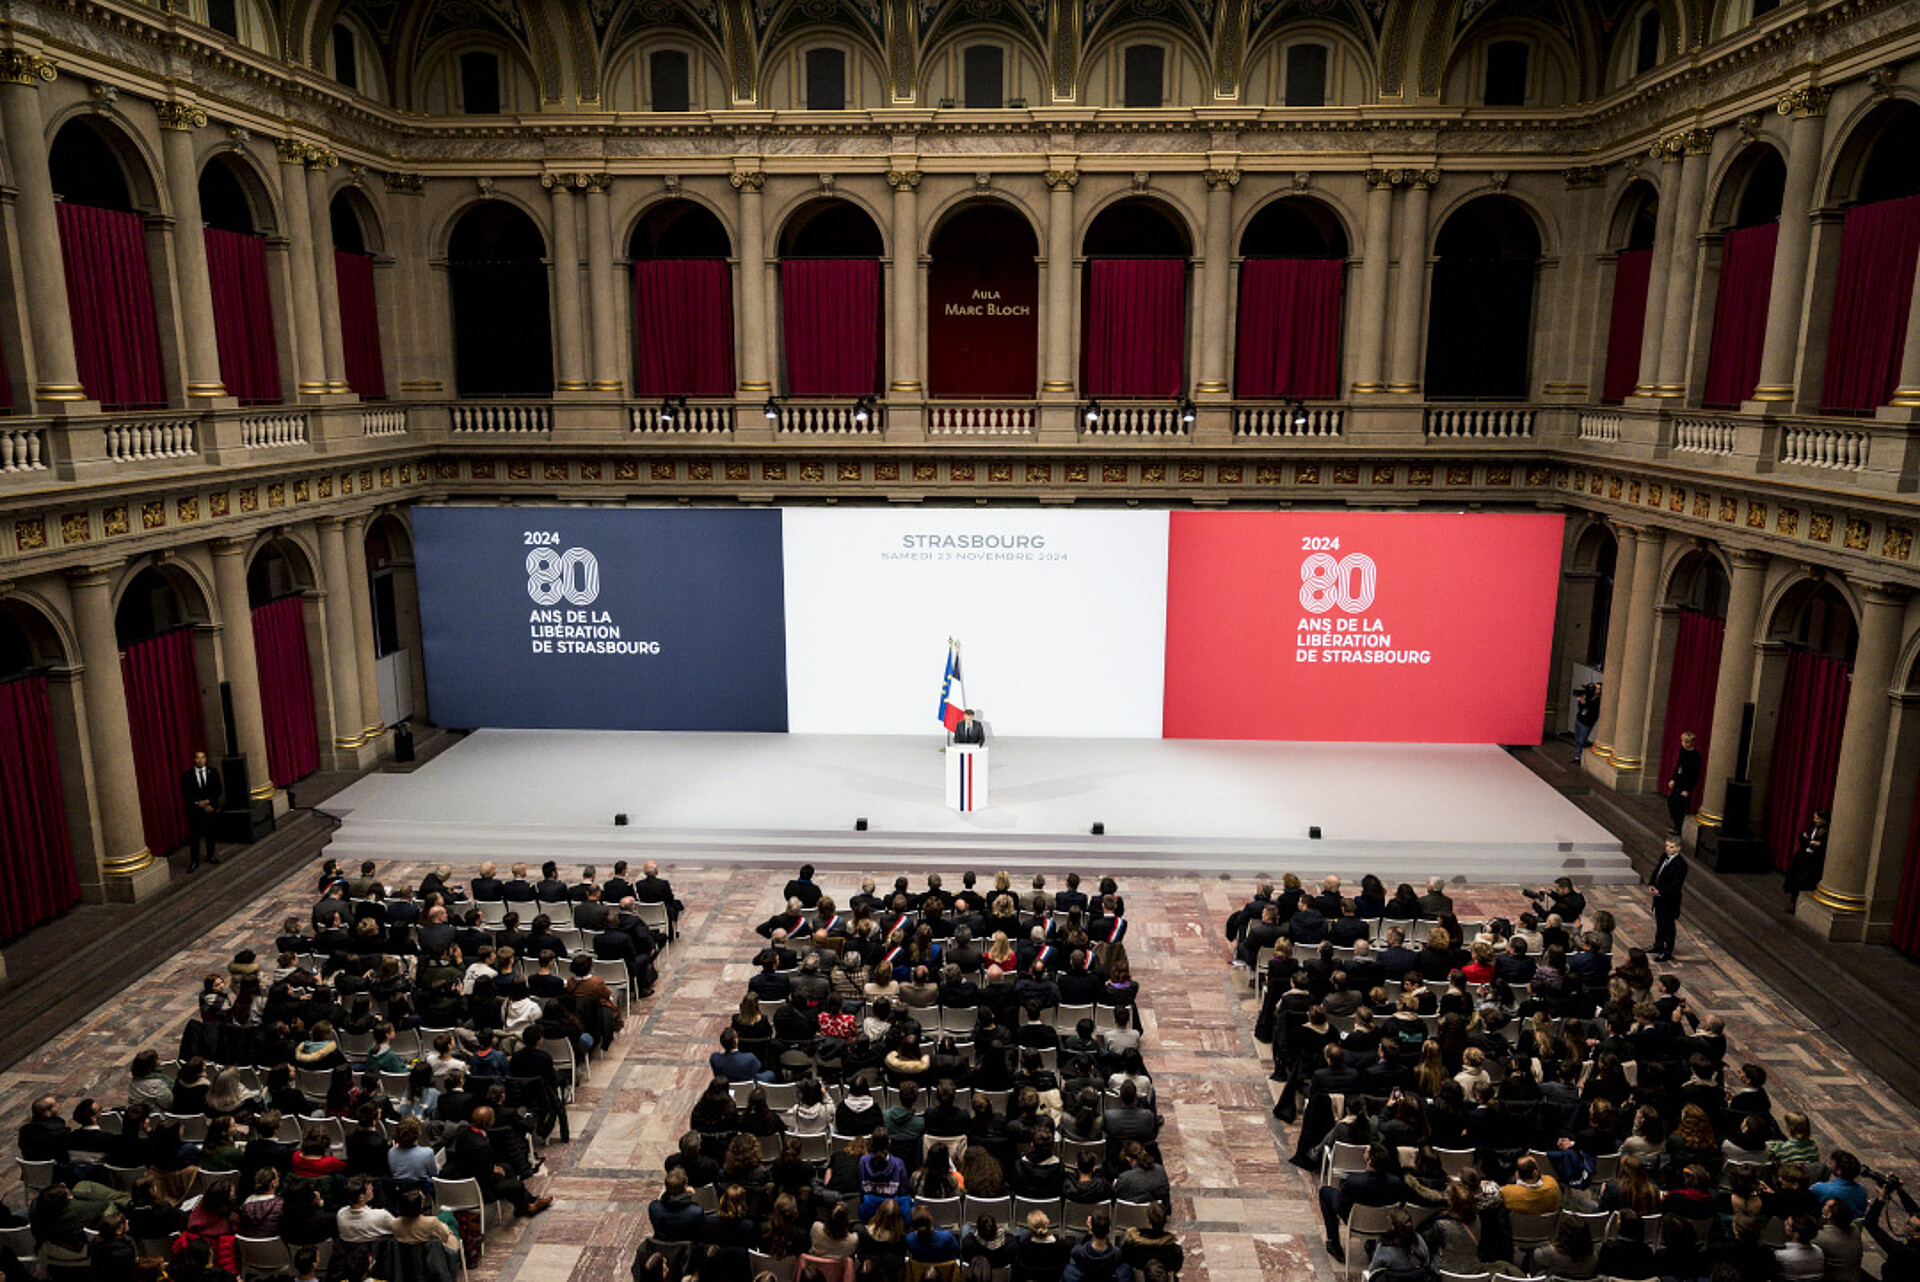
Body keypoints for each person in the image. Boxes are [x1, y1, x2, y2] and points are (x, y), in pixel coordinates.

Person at [180, 749, 222, 870]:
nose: (200, 760)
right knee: (195, 836)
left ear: (205, 759)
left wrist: (209, 802)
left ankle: (210, 855)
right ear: (193, 760)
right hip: (195, 810)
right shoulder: (187, 775)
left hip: (210, 808)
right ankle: (194, 861)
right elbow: (186, 793)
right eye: (197, 758)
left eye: (202, 757)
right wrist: (201, 804)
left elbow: (218, 790)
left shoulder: (213, 772)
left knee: (211, 833)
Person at [1649, 834, 1688, 963]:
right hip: (1659, 898)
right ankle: (1658, 945)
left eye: (1671, 847)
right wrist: (1652, 884)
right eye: (1666, 846)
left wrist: (1661, 891)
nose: (1667, 849)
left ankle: (1667, 950)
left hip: (1669, 900)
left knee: (1669, 925)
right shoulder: (1664, 857)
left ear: (1678, 848)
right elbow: (1657, 871)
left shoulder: (1681, 864)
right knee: (1660, 922)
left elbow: (1676, 884)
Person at [1785, 810, 1830, 914]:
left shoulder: (1827, 831)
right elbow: (1802, 837)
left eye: (1818, 818)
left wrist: (1809, 841)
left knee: (1804, 882)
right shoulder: (1813, 827)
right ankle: (1793, 904)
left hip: (1813, 862)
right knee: (1796, 880)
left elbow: (1821, 846)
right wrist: (1811, 842)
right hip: (1803, 857)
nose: (1815, 820)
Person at [1667, 731, 1703, 832]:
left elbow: (1695, 775)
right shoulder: (1683, 751)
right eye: (1683, 741)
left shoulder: (1696, 756)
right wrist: (1673, 778)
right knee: (1671, 803)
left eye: (1686, 742)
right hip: (1678, 781)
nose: (1684, 744)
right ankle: (1676, 824)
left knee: (1681, 807)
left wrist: (1688, 789)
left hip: (1686, 784)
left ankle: (1679, 828)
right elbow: (1679, 766)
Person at [1573, 682, 1601, 761]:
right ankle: (1578, 754)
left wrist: (1586, 703)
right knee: (1577, 738)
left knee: (1581, 740)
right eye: (1595, 688)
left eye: (1598, 689)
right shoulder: (1589, 695)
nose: (1596, 690)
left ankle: (1579, 756)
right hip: (1580, 719)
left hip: (1587, 722)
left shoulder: (1599, 700)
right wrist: (1581, 701)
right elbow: (1581, 706)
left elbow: (1593, 709)